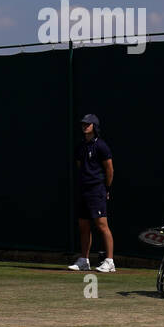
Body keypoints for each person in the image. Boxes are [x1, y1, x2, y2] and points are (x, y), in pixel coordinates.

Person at [68, 114, 116, 273]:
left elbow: (109, 169)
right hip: (84, 190)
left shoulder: (102, 146)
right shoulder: (80, 147)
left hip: (98, 190)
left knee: (102, 225)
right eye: (83, 124)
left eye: (87, 124)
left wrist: (106, 188)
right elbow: (80, 166)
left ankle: (110, 261)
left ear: (94, 126)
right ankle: (84, 260)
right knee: (83, 226)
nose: (84, 126)